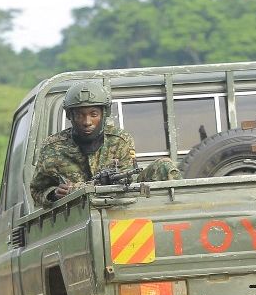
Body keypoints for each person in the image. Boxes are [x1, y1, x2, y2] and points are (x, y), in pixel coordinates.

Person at [30, 80, 180, 207]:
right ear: (70, 115)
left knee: (164, 166)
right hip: (75, 215)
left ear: (104, 113)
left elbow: (128, 180)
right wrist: (53, 194)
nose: (87, 122)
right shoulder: (52, 148)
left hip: (120, 205)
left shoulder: (119, 140)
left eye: (93, 114)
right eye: (80, 115)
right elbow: (37, 191)